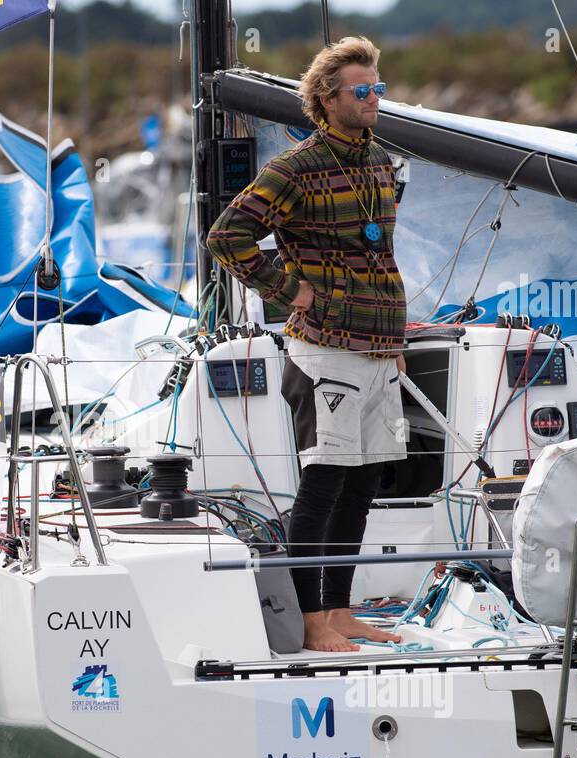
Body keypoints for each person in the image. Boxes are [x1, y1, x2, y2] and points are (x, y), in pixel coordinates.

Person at [206, 36, 407, 652]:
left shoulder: (377, 161)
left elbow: (379, 254)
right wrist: (288, 291)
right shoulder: (296, 167)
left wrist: (395, 339)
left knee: (364, 481)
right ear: (327, 98)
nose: (374, 98)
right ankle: (311, 620)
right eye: (362, 90)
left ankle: (340, 609)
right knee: (324, 484)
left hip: (378, 345)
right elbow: (228, 235)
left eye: (378, 88)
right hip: (325, 349)